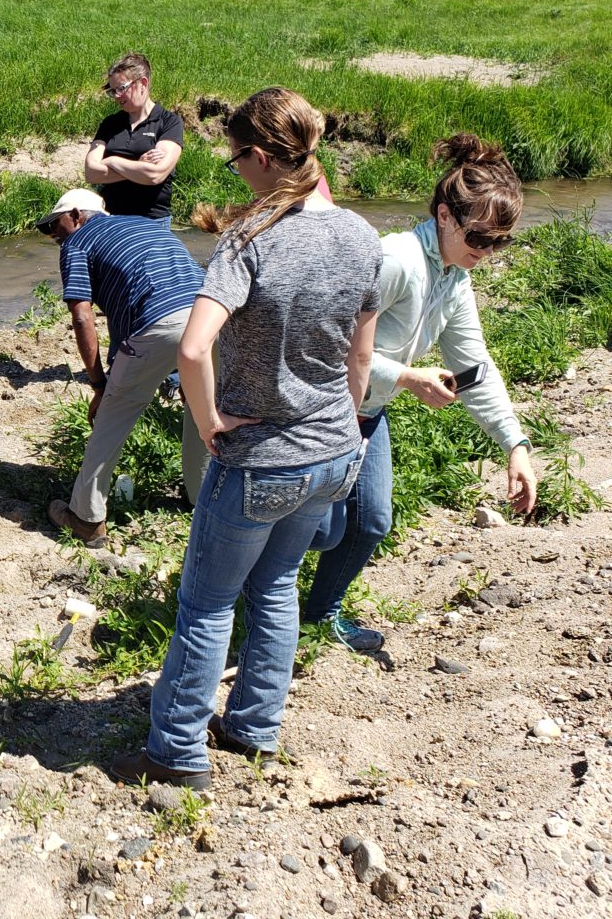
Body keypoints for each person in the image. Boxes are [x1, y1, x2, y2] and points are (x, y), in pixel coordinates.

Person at [112, 88, 382, 789]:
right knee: (279, 586)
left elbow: (194, 350)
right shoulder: (360, 234)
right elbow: (360, 359)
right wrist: (344, 433)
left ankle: (175, 752)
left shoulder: (249, 239)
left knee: (205, 604)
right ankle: (254, 728)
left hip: (260, 458)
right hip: (332, 451)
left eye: (235, 162)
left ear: (261, 158)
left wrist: (210, 425)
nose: (235, 173)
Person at [303, 134, 538, 652]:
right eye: (481, 237)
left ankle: (318, 615)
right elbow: (326, 341)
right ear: (445, 216)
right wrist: (408, 378)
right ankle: (249, 605)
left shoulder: (453, 276)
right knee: (319, 531)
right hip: (319, 413)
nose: (489, 252)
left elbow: (474, 366)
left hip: (368, 412)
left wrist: (514, 446)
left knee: (370, 522)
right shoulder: (396, 260)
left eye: (501, 242)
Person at [39, 189, 208, 548]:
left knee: (112, 417)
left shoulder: (78, 242)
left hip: (161, 322)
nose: (55, 236)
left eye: (55, 227)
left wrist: (99, 384)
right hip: (212, 316)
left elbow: (82, 315)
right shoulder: (145, 225)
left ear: (76, 214)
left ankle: (85, 518)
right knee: (201, 405)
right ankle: (199, 497)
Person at [84, 52, 184, 222]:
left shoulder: (169, 122)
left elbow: (155, 175)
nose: (116, 96)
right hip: (111, 217)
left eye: (122, 88)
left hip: (152, 221)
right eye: (112, 91)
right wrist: (139, 165)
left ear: (143, 83)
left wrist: (111, 161)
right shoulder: (111, 123)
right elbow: (91, 173)